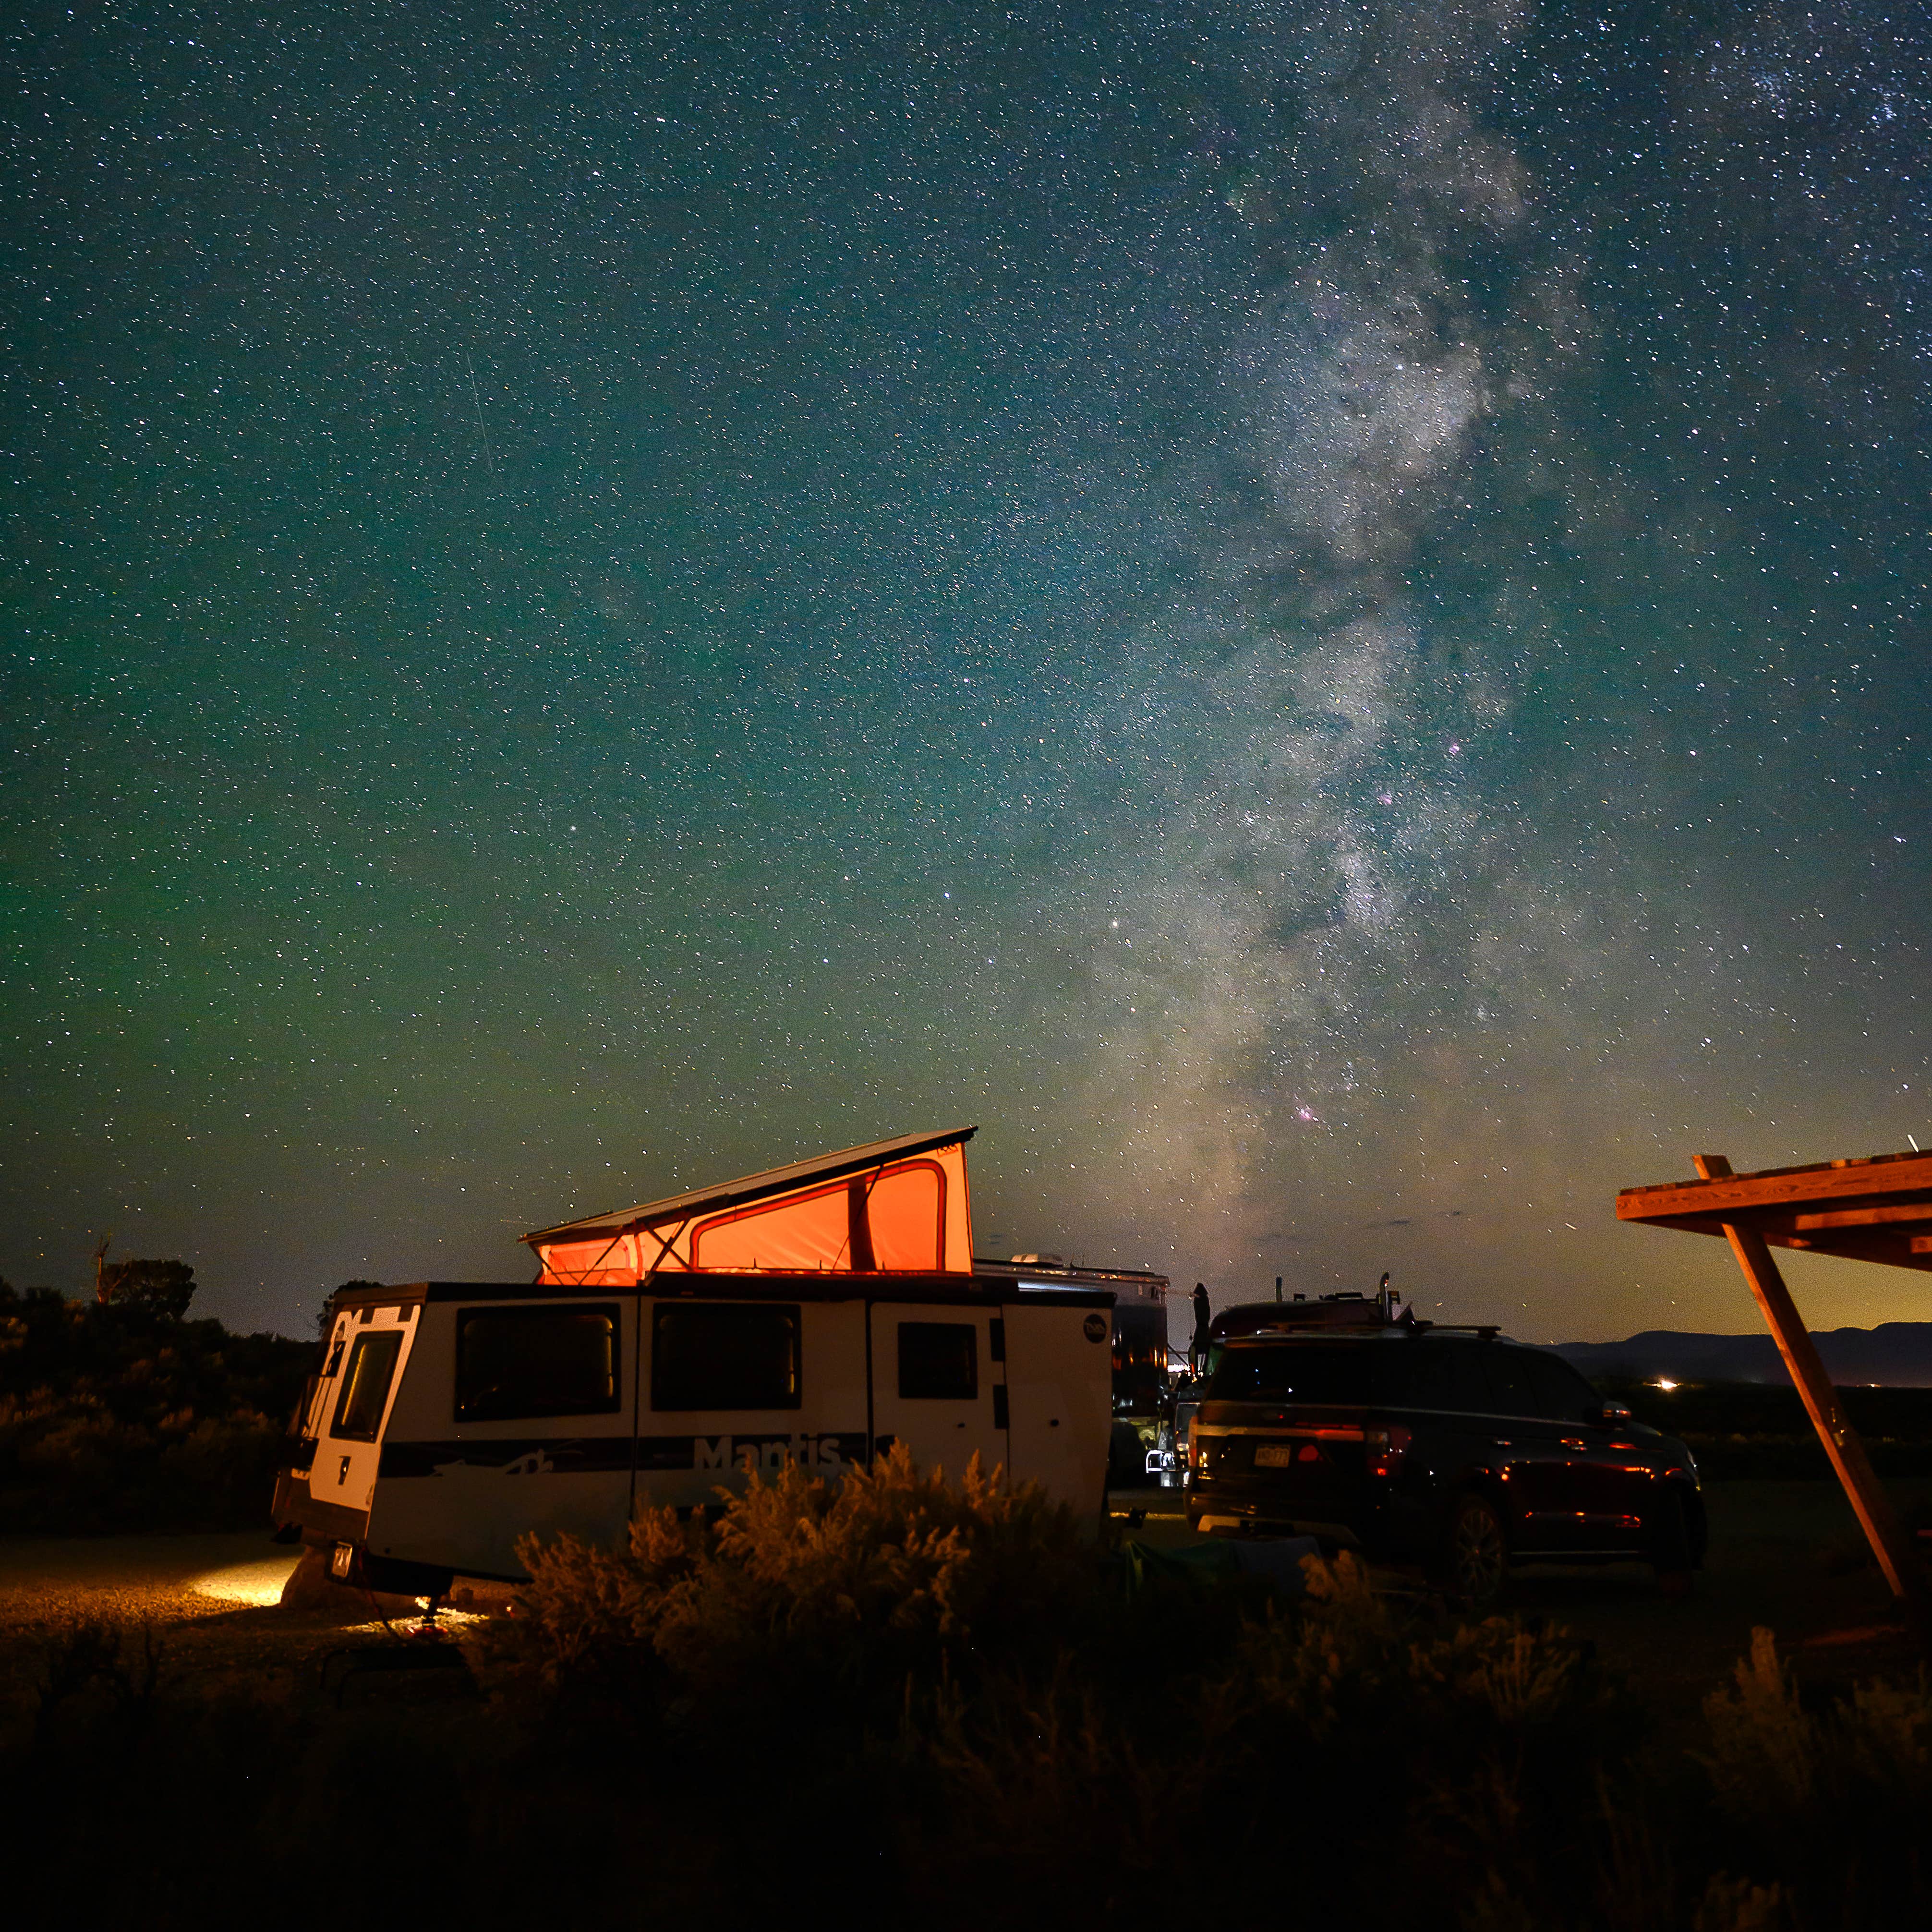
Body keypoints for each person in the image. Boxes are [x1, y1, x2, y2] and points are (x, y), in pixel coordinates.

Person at [1189, 1281, 1212, 1376]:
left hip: (1201, 1330)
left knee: (1194, 1350)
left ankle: (1197, 1373)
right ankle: (1205, 1370)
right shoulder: (1205, 1300)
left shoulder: (1199, 1300)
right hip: (1205, 1330)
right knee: (1208, 1350)